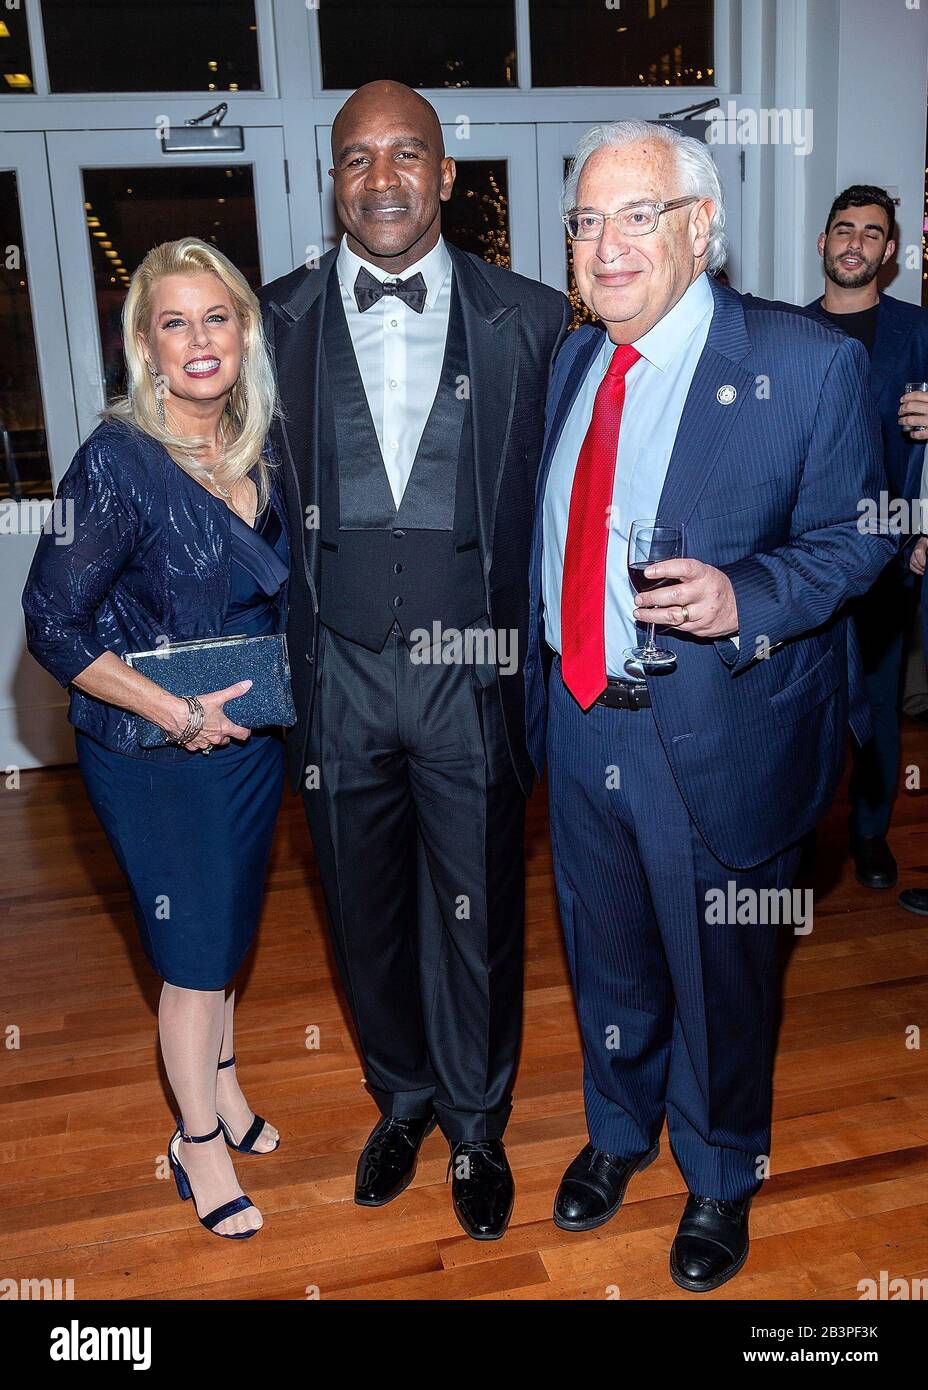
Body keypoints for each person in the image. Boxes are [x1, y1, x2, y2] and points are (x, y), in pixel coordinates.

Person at [524, 120, 895, 1291]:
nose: (605, 244)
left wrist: (747, 593)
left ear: (699, 229)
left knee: (723, 975)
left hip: (720, 730)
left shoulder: (805, 363)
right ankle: (621, 1132)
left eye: (636, 216)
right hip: (580, 714)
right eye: (586, 221)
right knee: (609, 957)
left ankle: (722, 1171)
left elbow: (861, 540)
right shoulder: (573, 363)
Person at [258, 81, 570, 1240]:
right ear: (330, 180)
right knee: (362, 904)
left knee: (481, 904)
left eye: (406, 155)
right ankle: (402, 1097)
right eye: (355, 158)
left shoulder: (535, 319)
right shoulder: (272, 320)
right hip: (333, 670)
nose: (380, 178)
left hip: (473, 671)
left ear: (447, 175)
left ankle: (478, 1122)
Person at [22, 238, 288, 1241]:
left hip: (247, 742)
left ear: (243, 329)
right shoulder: (116, 462)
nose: (198, 339)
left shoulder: (261, 441)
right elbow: (52, 624)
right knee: (190, 951)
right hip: (154, 755)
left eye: (215, 316)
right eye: (173, 321)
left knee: (224, 939)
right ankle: (196, 1144)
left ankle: (223, 1089)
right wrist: (175, 713)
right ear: (145, 342)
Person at [804, 185, 928, 892]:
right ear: (822, 243)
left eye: (872, 233)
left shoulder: (918, 330)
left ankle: (870, 835)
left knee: (878, 700)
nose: (855, 242)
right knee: (798, 703)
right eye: (843, 228)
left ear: (888, 252)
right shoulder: (781, 328)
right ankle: (797, 838)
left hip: (886, 552)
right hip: (800, 556)